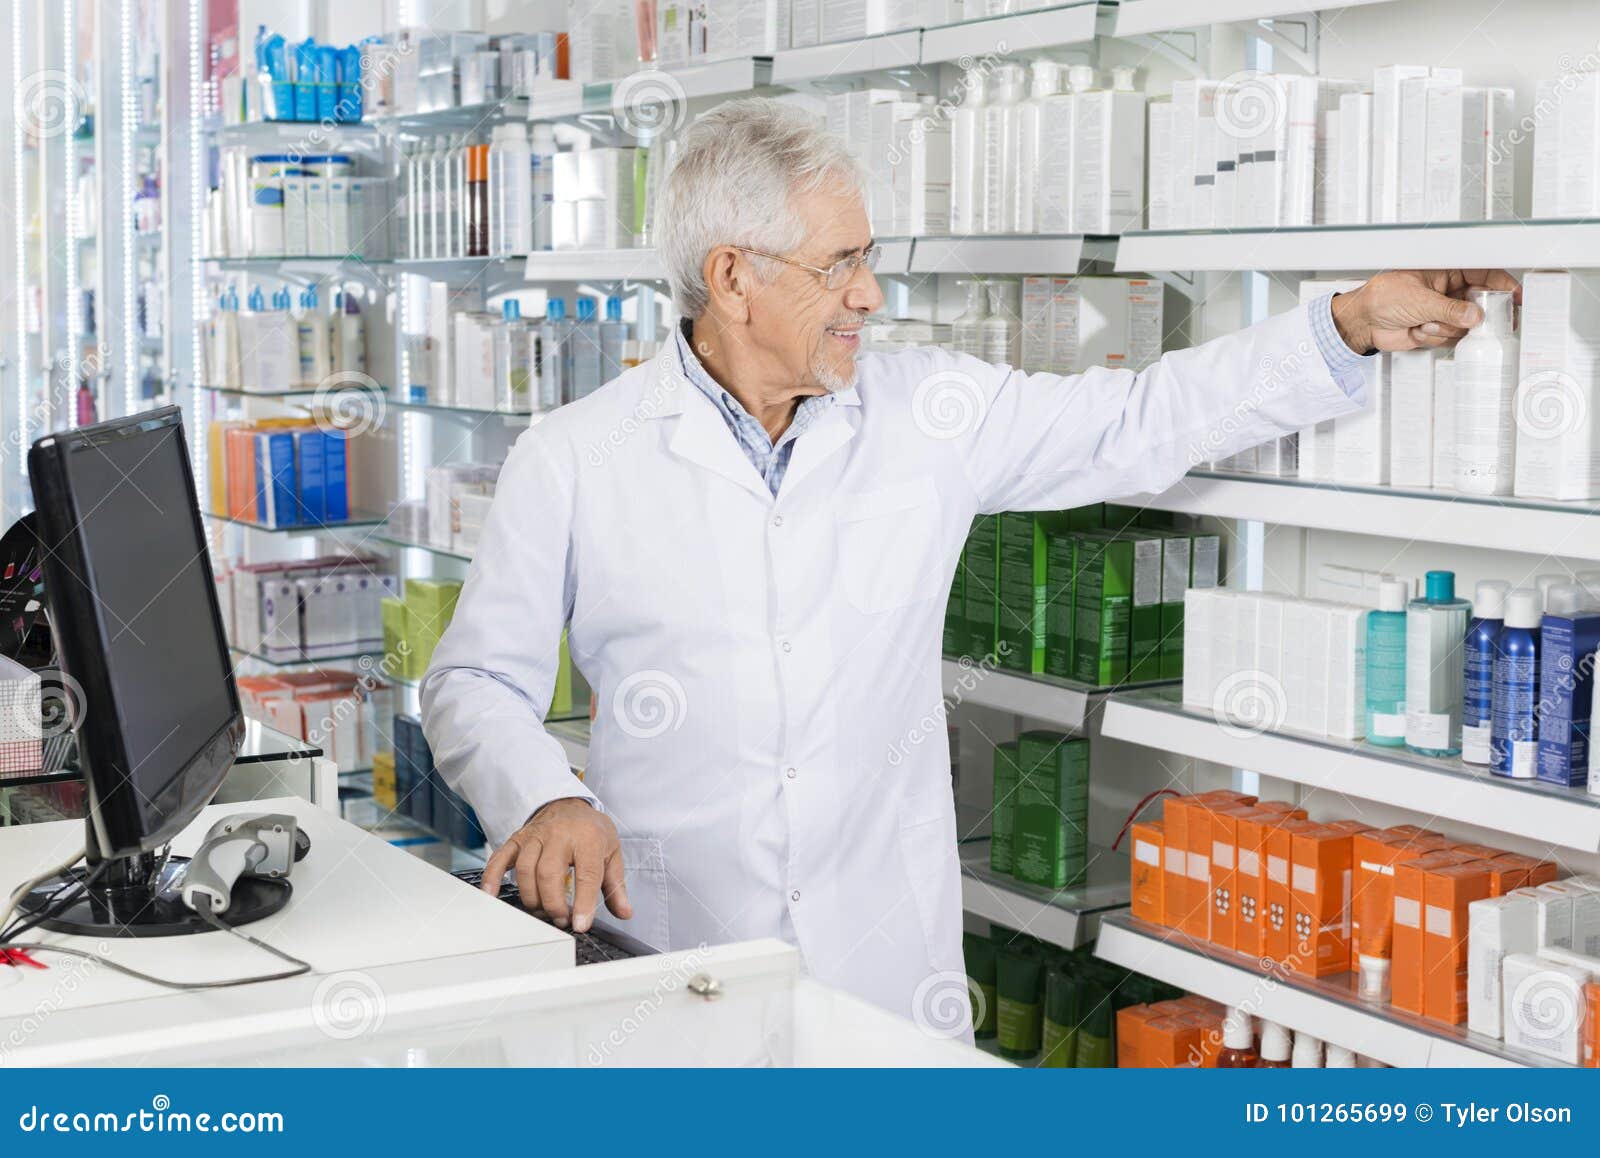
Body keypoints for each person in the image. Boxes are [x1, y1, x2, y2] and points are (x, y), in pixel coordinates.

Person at [421, 97, 1517, 1029]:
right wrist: (544, 797)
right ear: (733, 278)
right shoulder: (576, 456)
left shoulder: (926, 413)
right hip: (664, 950)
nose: (869, 294)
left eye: (869, 257)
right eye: (839, 263)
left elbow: (1133, 418)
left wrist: (1346, 323)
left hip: (877, 963)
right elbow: (473, 680)